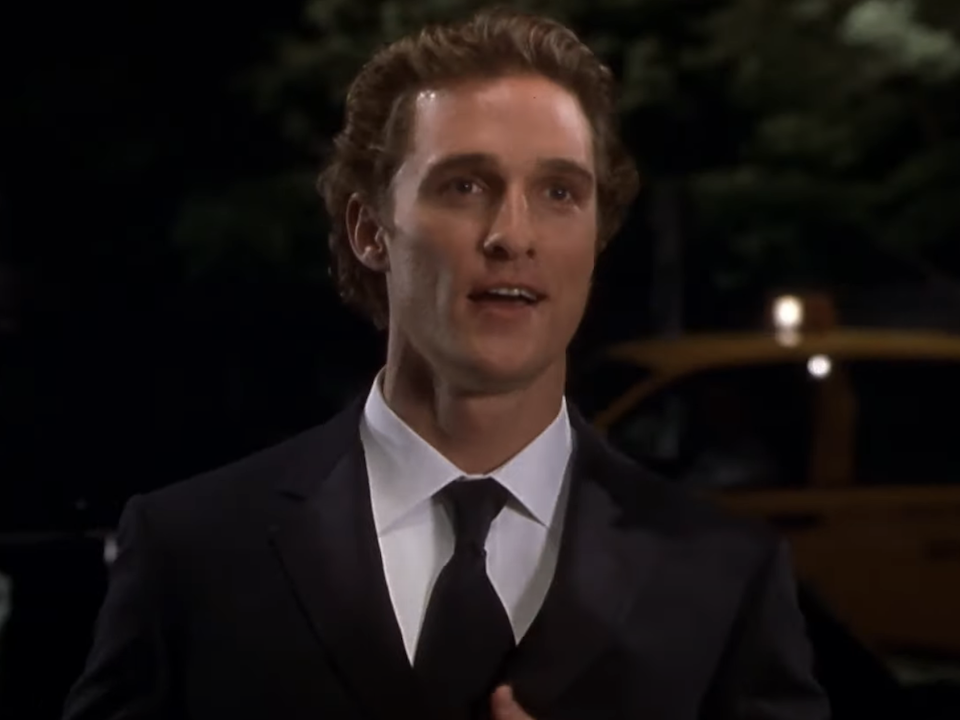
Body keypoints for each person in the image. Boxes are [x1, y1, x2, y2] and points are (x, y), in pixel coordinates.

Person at [63, 7, 829, 720]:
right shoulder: (192, 553)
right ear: (370, 229)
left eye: (559, 192)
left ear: (597, 234)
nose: (513, 235)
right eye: (465, 185)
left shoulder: (723, 578)